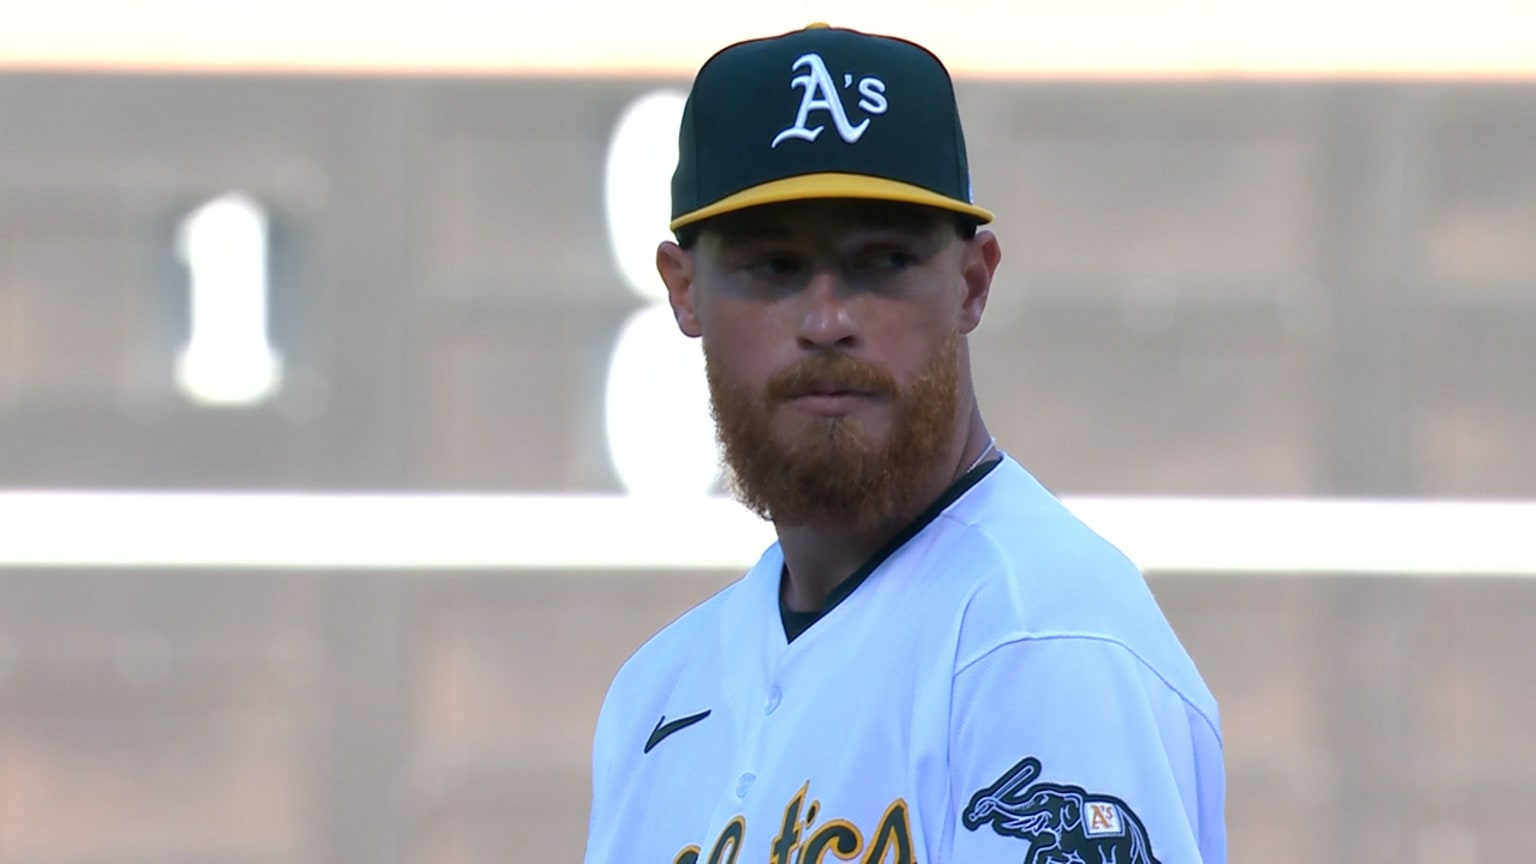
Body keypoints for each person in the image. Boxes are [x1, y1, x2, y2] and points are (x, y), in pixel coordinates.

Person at [584, 23, 1225, 864]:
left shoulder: (1041, 644)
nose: (826, 321)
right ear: (684, 290)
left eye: (881, 261)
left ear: (972, 280)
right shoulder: (655, 700)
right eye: (773, 267)